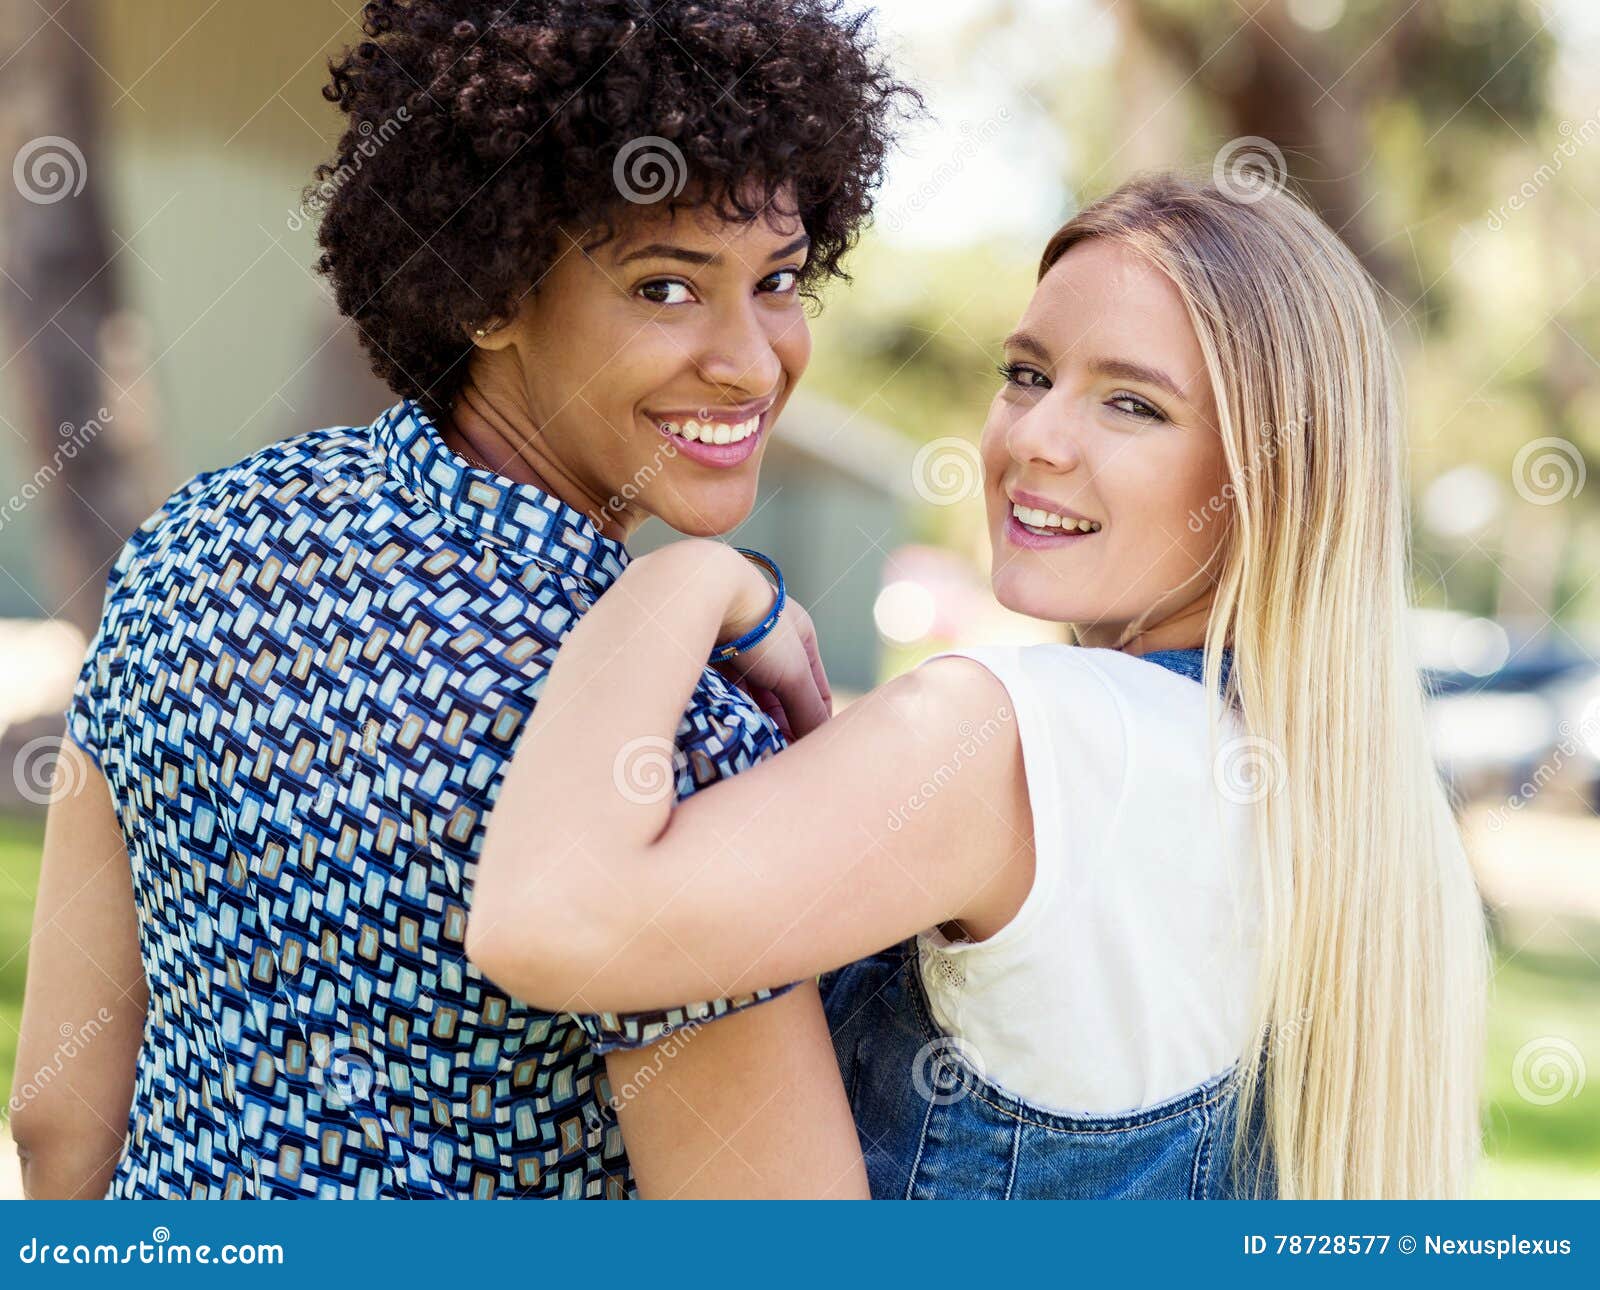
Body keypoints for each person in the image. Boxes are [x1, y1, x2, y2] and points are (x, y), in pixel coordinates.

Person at [13, 0, 913, 1199]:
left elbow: (58, 1122)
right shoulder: (669, 739)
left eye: (780, 280)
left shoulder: (194, 543)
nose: (752, 361)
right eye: (664, 287)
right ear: (484, 291)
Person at [469, 172, 1490, 1199]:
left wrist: (682, 577)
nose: (1034, 439)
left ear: (1268, 476)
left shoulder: (1025, 732)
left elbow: (545, 922)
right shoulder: (1341, 807)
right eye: (1028, 374)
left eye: (1132, 404)